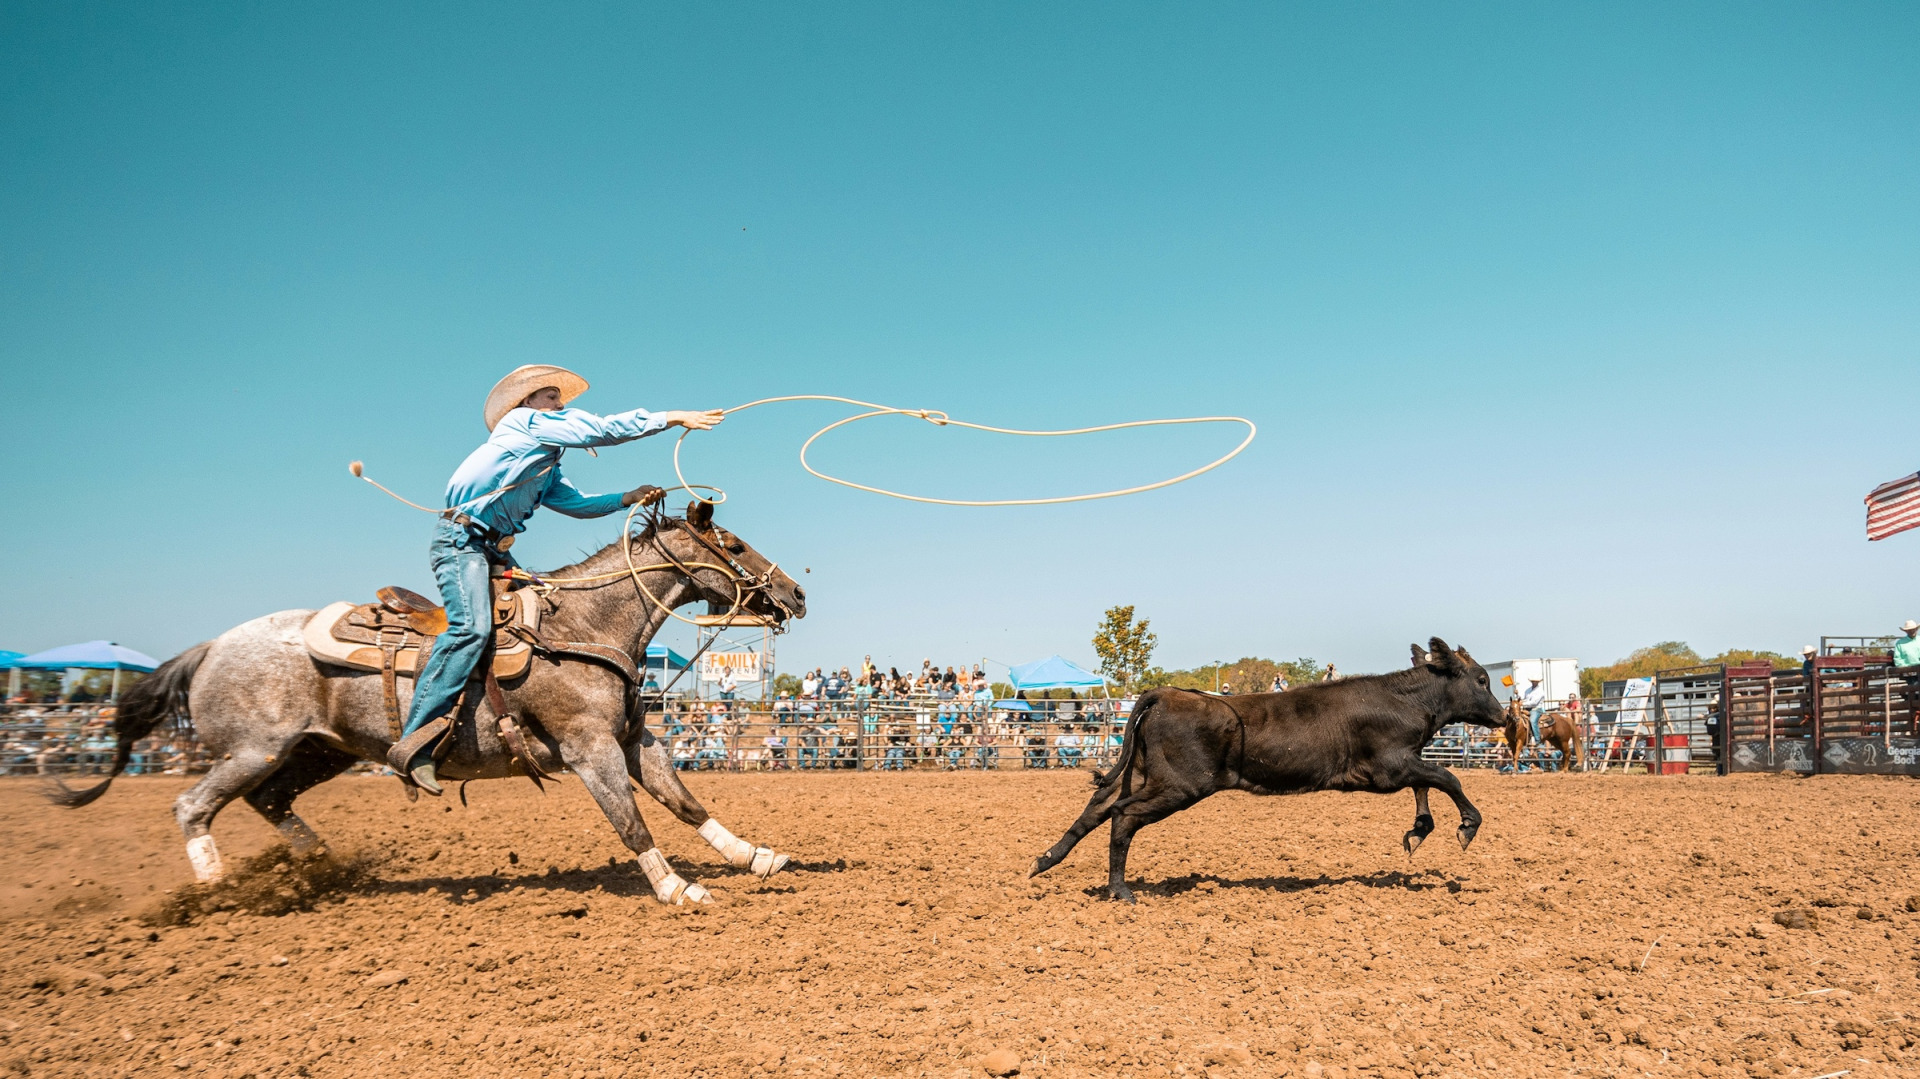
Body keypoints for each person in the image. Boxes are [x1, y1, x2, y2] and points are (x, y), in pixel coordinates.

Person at [388, 365, 722, 794]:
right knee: (471, 629)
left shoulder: (543, 466)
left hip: (491, 549)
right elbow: (599, 429)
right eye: (551, 396)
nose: (560, 404)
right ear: (528, 402)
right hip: (463, 543)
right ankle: (415, 743)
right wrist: (671, 416)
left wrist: (627, 498)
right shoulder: (524, 423)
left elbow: (575, 504)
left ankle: (509, 721)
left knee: (545, 617)